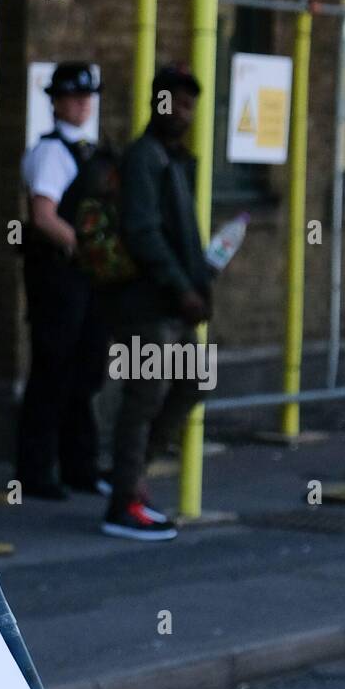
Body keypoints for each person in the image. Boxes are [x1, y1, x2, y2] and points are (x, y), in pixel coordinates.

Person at [102, 63, 214, 541]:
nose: (184, 113)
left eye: (191, 105)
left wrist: (198, 282)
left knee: (194, 379)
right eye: (177, 102)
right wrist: (181, 286)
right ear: (158, 103)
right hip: (148, 303)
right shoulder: (145, 158)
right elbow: (143, 232)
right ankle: (122, 502)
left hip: (172, 303)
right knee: (143, 397)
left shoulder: (175, 160)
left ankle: (133, 476)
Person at [15, 61, 112, 501]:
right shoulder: (52, 152)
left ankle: (80, 465)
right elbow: (43, 216)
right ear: (55, 102)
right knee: (53, 370)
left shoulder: (94, 148)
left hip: (87, 277)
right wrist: (89, 248)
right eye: (74, 96)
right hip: (59, 277)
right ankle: (37, 470)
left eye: (87, 96)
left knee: (86, 371)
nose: (83, 104)